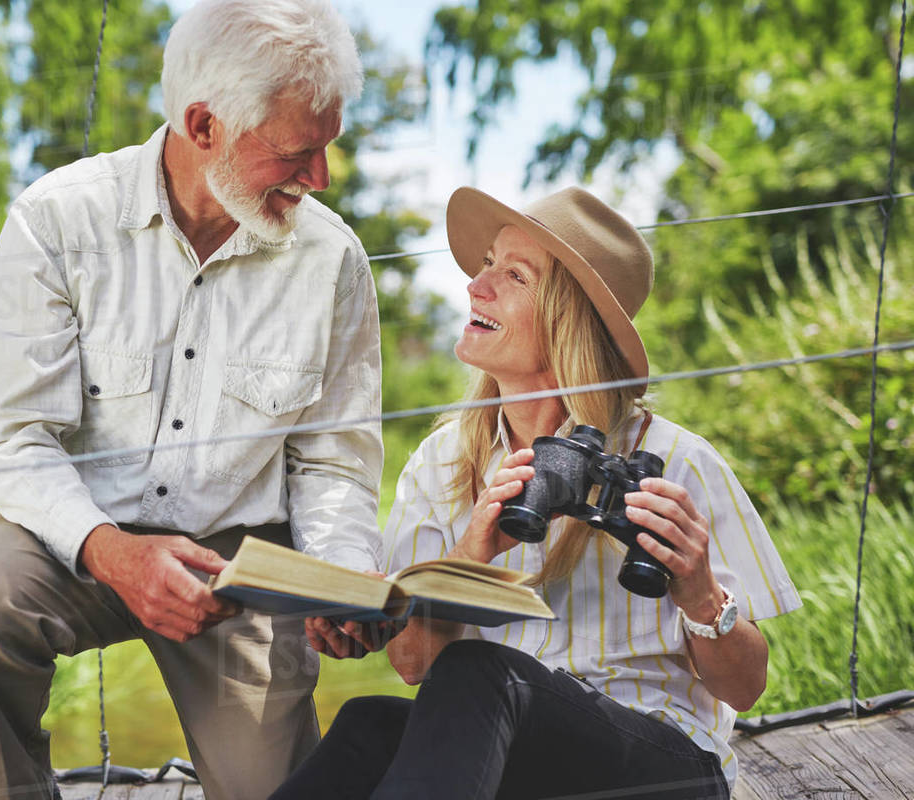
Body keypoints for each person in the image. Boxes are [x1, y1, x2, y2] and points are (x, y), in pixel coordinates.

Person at [0, 2, 386, 798]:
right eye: (296, 152)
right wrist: (112, 552)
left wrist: (340, 579)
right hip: (75, 542)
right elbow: (12, 439)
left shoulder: (333, 260)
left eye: (326, 146)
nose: (321, 178)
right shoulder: (56, 221)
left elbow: (333, 463)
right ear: (203, 126)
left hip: (240, 567)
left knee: (277, 792)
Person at [271, 186, 803, 800]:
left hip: (666, 766)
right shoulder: (442, 463)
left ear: (566, 320)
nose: (476, 285)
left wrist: (701, 594)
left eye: (514, 275)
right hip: (517, 739)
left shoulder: (679, 460)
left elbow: (745, 689)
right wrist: (470, 558)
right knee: (368, 723)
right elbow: (413, 665)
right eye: (486, 263)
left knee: (482, 672)